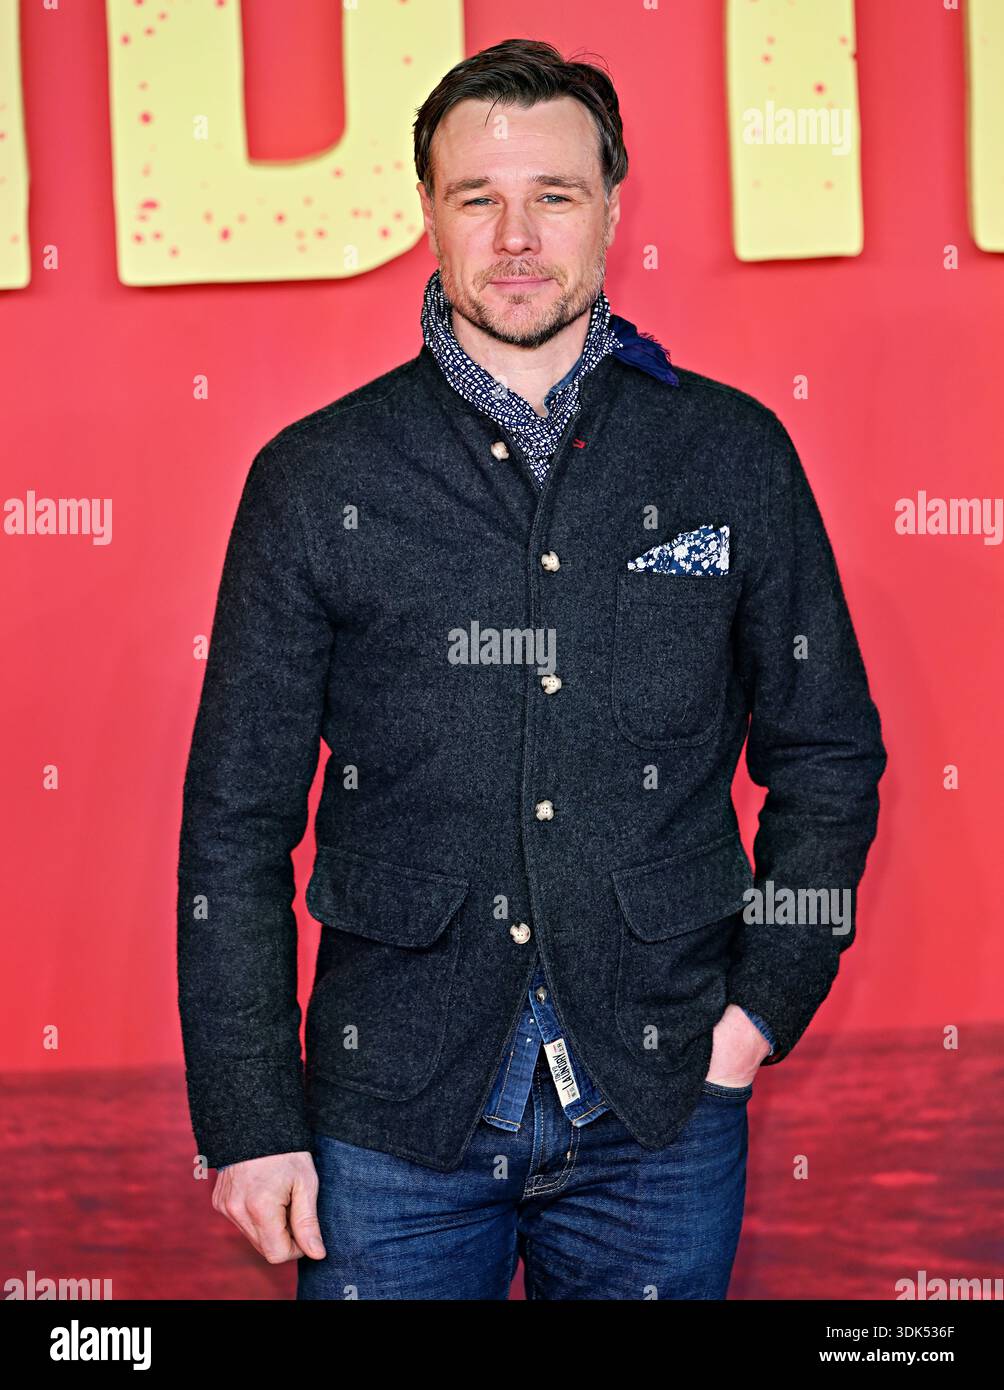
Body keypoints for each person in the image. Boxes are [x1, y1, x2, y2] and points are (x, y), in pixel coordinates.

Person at [177, 38, 887, 1300]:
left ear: (611, 207)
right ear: (428, 218)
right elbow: (233, 828)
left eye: (553, 195)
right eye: (478, 198)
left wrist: (756, 1014)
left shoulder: (729, 453)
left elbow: (826, 757)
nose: (516, 235)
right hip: (384, 1126)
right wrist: (248, 1118)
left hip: (662, 1113)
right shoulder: (314, 480)